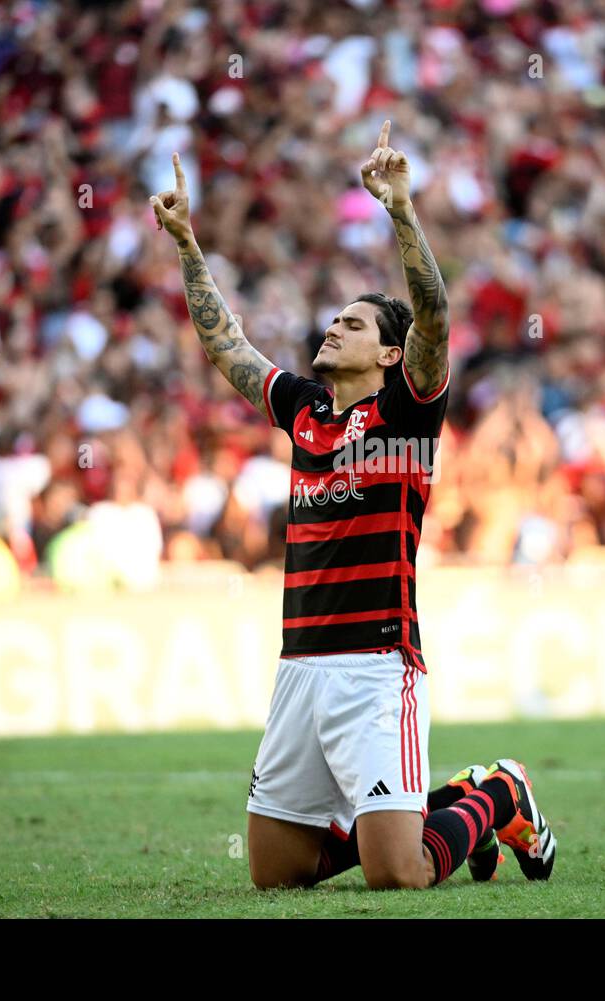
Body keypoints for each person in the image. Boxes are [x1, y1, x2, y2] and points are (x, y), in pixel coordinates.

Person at [150, 121, 557, 889]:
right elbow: (227, 347)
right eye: (334, 317)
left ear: (390, 355)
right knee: (276, 878)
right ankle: (446, 804)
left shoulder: (408, 408)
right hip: (300, 667)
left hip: (378, 667)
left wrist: (400, 210)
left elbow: (434, 315)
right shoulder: (305, 411)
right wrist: (187, 245)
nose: (334, 324)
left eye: (356, 322)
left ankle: (501, 790)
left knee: (395, 877)